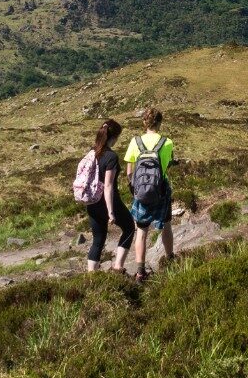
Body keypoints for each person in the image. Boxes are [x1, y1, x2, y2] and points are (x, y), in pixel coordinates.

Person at [75, 118, 133, 274]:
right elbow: (108, 186)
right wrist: (111, 211)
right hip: (109, 202)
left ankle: (91, 277)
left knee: (98, 239)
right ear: (113, 137)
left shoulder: (92, 152)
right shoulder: (111, 157)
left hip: (92, 201)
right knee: (129, 228)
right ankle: (118, 267)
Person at [125, 106, 176, 279]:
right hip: (161, 190)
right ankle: (170, 259)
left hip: (141, 192)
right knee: (166, 225)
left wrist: (134, 189)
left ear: (144, 122)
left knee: (141, 230)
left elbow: (129, 170)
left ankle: (140, 271)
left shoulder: (135, 142)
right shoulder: (167, 142)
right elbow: (166, 166)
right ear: (160, 123)